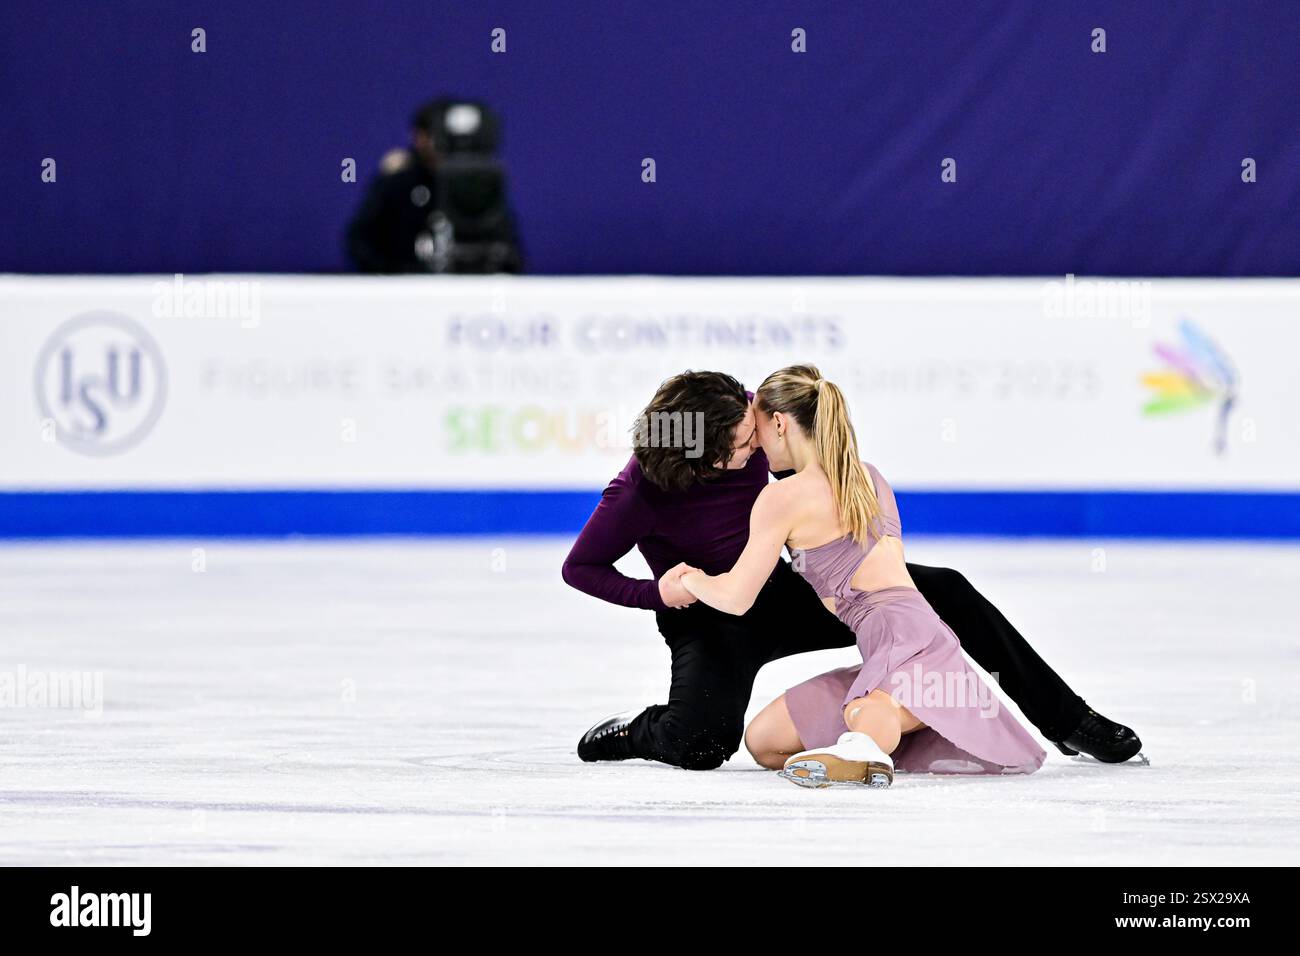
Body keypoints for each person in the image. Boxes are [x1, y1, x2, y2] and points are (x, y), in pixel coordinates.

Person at [561, 370, 1142, 771]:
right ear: (698, 452)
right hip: (708, 614)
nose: (755, 450)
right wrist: (658, 592)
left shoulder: (747, 414)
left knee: (946, 591)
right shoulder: (639, 488)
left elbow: (814, 437)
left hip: (783, 592)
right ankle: (636, 731)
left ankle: (1069, 720)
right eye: (740, 447)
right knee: (701, 746)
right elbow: (580, 568)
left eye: (755, 433)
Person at [674, 365, 1046, 787]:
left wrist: (687, 579)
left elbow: (736, 598)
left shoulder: (781, 497)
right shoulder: (868, 477)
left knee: (864, 713)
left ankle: (867, 747)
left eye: (756, 429)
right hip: (909, 637)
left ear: (778, 422)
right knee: (764, 740)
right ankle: (891, 725)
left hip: (906, 639)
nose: (755, 443)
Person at [346, 98, 523, 273]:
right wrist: (394, 277)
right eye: (437, 135)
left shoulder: (479, 185)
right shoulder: (398, 182)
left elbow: (509, 252)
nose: (442, 145)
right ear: (419, 136)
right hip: (406, 291)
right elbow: (360, 241)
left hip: (469, 291)